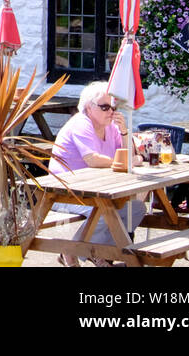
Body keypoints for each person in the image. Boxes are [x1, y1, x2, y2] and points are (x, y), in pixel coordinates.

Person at [49, 81, 144, 266]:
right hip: (66, 191)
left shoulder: (111, 126)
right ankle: (72, 250)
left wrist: (124, 131)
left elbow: (128, 157)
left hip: (95, 189)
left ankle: (94, 251)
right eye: (105, 106)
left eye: (113, 107)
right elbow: (92, 159)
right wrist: (125, 163)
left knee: (136, 208)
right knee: (106, 211)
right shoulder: (80, 123)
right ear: (89, 107)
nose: (111, 111)